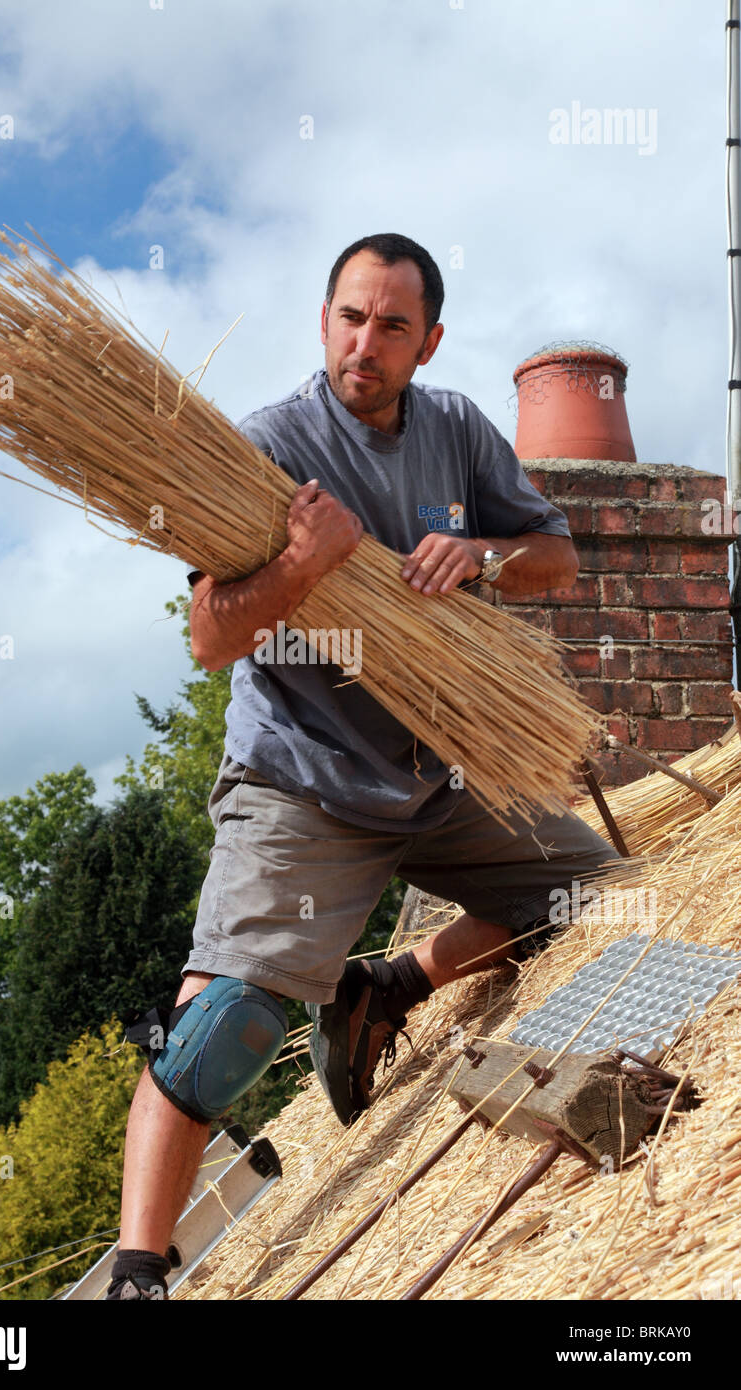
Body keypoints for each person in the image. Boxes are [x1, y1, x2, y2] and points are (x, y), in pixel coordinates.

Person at [105, 233, 619, 1300]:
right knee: (223, 1028)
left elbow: (554, 556)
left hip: (436, 775)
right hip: (302, 781)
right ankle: (137, 1267)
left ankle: (384, 987)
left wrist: (480, 555)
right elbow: (210, 637)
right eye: (349, 316)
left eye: (391, 325)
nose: (364, 343)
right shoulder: (265, 445)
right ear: (322, 319)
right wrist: (301, 562)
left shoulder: (456, 431)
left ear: (427, 341)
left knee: (596, 894)